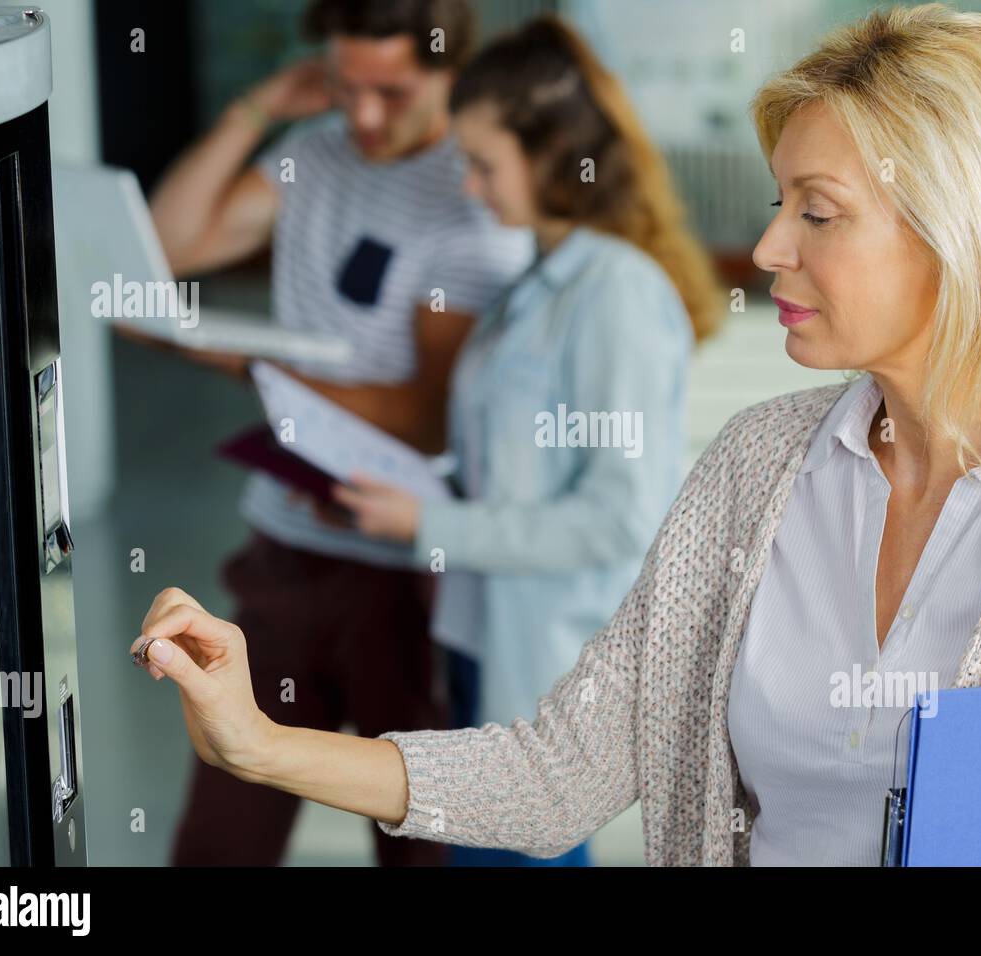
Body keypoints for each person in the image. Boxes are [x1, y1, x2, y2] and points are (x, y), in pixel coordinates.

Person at [129, 4, 981, 866]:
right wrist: (258, 742)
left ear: (959, 230)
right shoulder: (758, 466)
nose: (764, 250)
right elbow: (560, 769)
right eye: (776, 204)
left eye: (816, 211)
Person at [321, 15, 723, 866]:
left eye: (483, 163)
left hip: (541, 672)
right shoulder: (535, 282)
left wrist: (427, 528)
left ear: (552, 156)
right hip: (479, 642)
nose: (468, 188)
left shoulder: (615, 296)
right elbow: (511, 472)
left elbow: (617, 519)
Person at [144, 0, 532, 866]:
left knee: (418, 835)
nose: (361, 115)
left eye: (390, 91)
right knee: (220, 836)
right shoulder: (308, 154)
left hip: (407, 573)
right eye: (343, 85)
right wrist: (256, 111)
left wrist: (254, 368)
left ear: (448, 72)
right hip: (283, 544)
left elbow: (427, 411)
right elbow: (163, 254)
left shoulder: (475, 201)